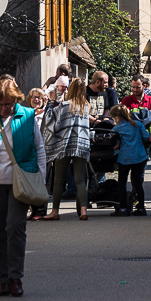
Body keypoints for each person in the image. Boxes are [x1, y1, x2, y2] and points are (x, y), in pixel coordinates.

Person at [0, 77, 47, 298]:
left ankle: (16, 277)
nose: (4, 108)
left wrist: (40, 178)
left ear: (16, 101)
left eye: (9, 104)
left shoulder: (28, 116)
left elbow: (39, 148)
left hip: (20, 184)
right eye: (0, 104)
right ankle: (3, 279)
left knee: (15, 227)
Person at [42, 78, 91, 220]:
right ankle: (83, 211)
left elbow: (50, 119)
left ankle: (55, 212)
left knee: (58, 179)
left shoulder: (64, 106)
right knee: (80, 179)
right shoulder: (86, 107)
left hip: (64, 145)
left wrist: (51, 103)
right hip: (81, 145)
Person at [109, 105, 150, 216]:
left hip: (124, 158)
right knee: (137, 182)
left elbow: (113, 142)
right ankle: (141, 208)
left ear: (117, 117)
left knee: (122, 182)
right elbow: (147, 137)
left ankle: (123, 209)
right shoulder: (137, 124)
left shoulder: (117, 128)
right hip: (139, 156)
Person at [25, 88, 49, 220]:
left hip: (44, 151)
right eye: (34, 97)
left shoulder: (47, 114)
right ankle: (33, 210)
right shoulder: (27, 114)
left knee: (42, 180)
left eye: (39, 97)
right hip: (29, 151)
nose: (36, 100)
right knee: (31, 180)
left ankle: (41, 210)